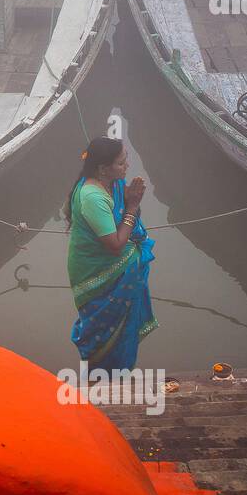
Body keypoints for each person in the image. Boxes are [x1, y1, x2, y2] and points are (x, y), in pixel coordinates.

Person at [64, 136, 157, 371]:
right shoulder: (93, 197)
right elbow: (115, 244)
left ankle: (115, 370)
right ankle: (102, 374)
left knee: (117, 331)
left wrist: (129, 199)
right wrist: (133, 207)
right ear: (103, 168)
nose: (127, 166)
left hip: (113, 269)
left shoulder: (111, 183)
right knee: (101, 331)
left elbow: (120, 202)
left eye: (126, 160)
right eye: (121, 163)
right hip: (97, 273)